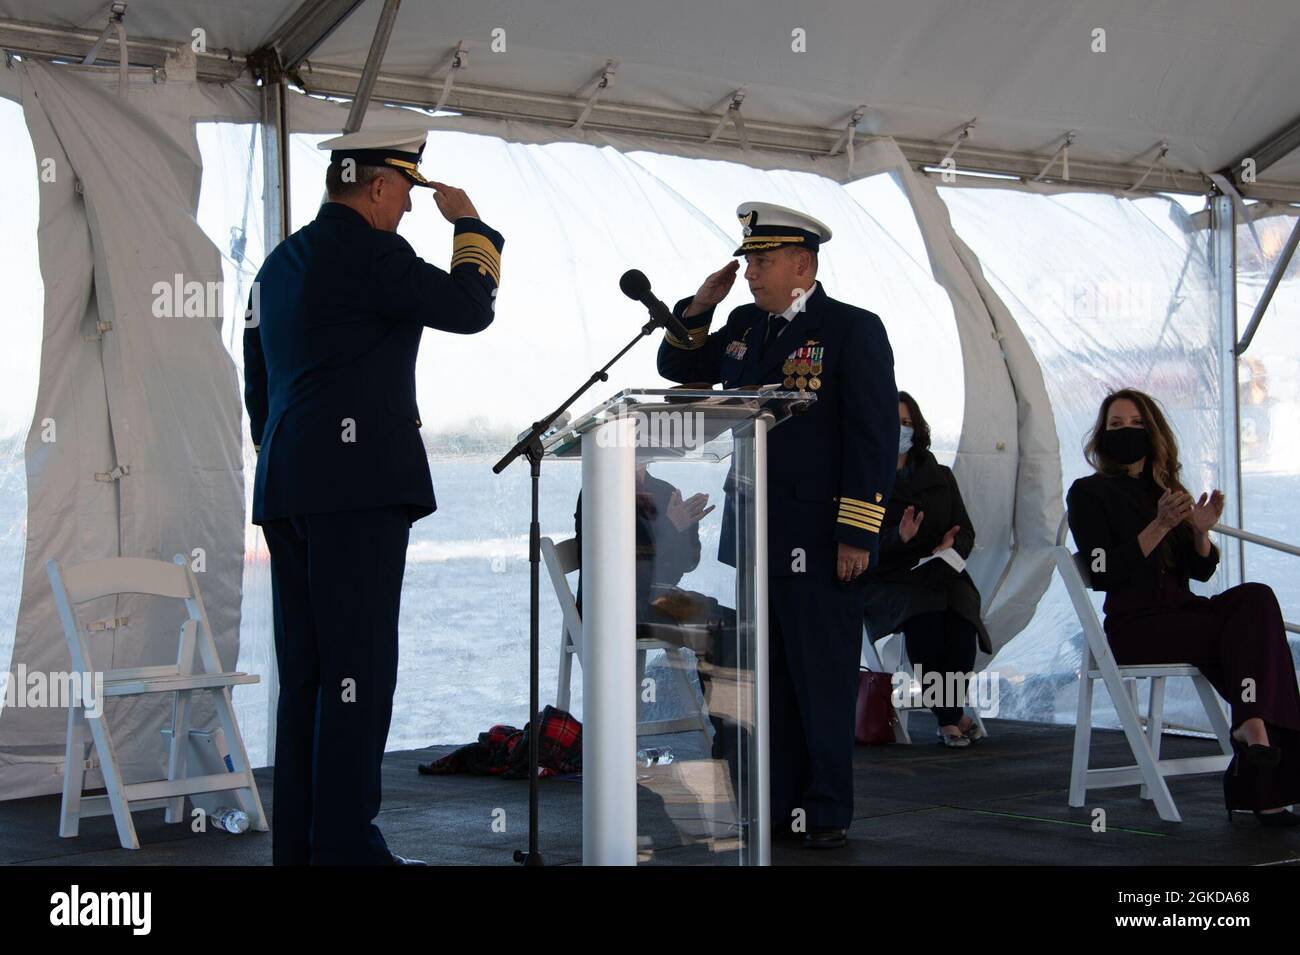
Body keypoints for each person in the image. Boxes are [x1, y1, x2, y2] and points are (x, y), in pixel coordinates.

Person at [243, 128, 504, 864]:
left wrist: (293, 455)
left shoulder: (278, 263)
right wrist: (473, 228)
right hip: (356, 492)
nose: (408, 211)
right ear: (382, 186)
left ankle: (301, 844)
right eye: (408, 195)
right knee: (358, 670)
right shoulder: (373, 251)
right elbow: (469, 305)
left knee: (309, 674)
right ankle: (347, 848)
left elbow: (257, 383)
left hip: (289, 488)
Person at [658, 201, 898, 848]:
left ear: (803, 263)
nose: (752, 272)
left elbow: (873, 436)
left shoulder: (851, 329)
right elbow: (678, 369)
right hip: (755, 529)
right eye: (748, 261)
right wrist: (699, 308)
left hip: (820, 534)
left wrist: (858, 531)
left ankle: (824, 811)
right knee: (767, 675)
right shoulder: (741, 324)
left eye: (762, 261)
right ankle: (776, 803)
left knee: (818, 673)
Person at [1066, 388, 1300, 826]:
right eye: (1115, 424)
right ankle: (1261, 768)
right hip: (1136, 624)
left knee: (1258, 598)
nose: (1125, 431)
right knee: (1257, 643)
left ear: (1151, 432)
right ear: (1101, 435)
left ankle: (1251, 726)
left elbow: (1200, 570)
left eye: (1135, 423)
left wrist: (1199, 533)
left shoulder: (1167, 490)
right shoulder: (1088, 493)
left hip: (1183, 610)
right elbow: (1101, 571)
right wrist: (1159, 525)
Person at [864, 391, 990, 747]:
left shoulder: (941, 476)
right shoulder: (865, 478)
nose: (901, 430)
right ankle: (951, 718)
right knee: (926, 621)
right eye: (893, 423)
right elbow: (857, 542)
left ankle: (951, 715)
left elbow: (964, 530)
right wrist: (898, 538)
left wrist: (952, 545)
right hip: (890, 578)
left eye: (907, 423)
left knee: (962, 619)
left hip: (942, 572)